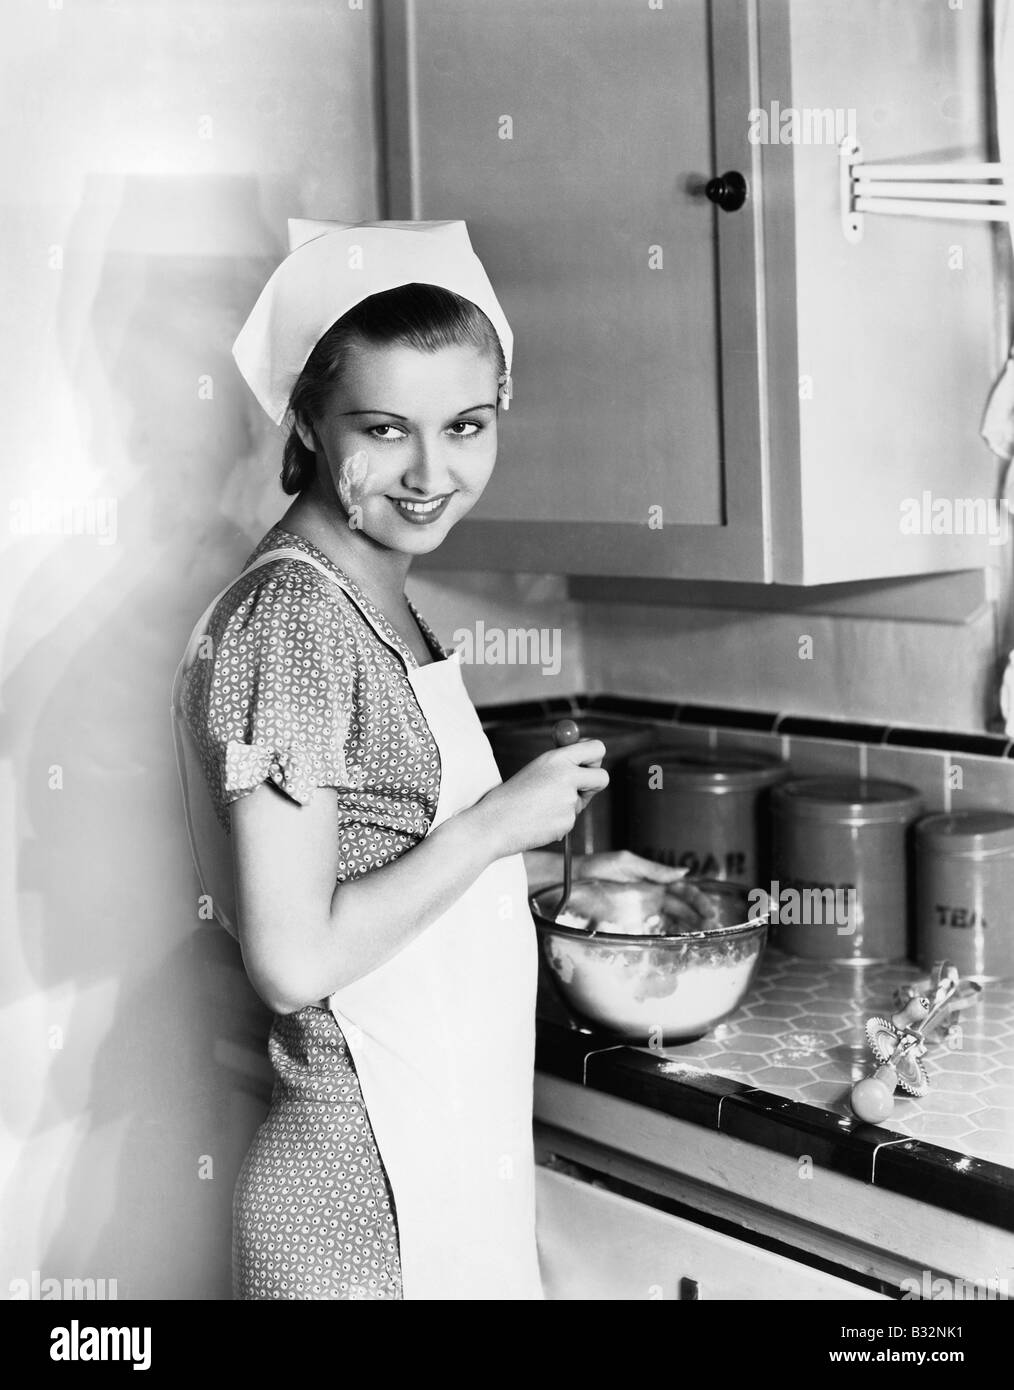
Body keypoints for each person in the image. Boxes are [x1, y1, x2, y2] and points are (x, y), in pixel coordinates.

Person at [177, 219, 715, 1300]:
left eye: (466, 424)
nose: (432, 472)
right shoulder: (295, 617)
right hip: (361, 1193)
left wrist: (550, 873)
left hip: (438, 1158)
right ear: (309, 423)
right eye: (384, 428)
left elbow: (381, 856)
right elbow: (293, 958)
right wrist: (497, 826)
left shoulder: (376, 589)